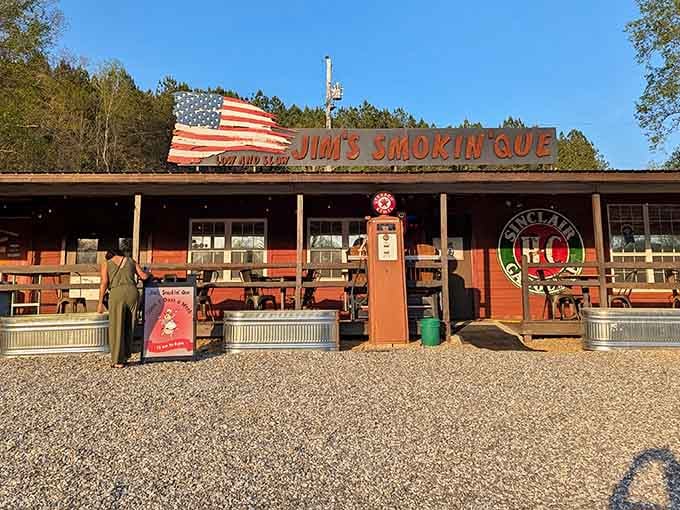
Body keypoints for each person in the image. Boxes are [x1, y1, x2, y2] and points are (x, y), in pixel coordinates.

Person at [97, 248, 150, 368]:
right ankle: (126, 355)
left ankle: (117, 360)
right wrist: (149, 274)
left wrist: (100, 302)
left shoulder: (106, 263)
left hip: (116, 293)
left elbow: (104, 282)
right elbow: (144, 277)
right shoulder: (131, 261)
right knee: (129, 325)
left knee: (116, 326)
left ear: (109, 256)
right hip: (132, 292)